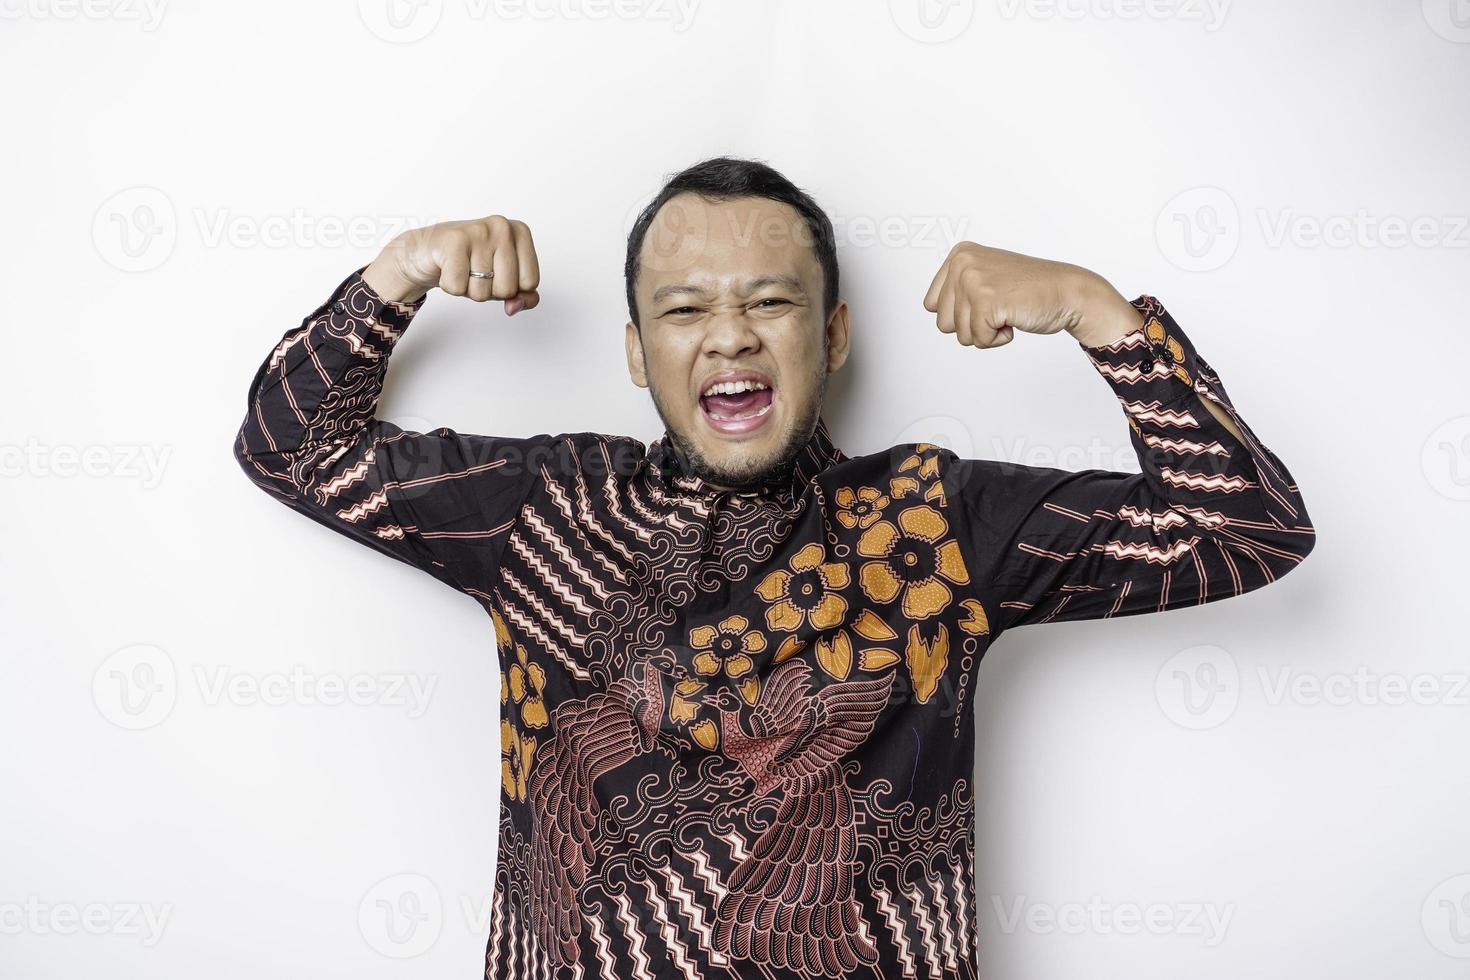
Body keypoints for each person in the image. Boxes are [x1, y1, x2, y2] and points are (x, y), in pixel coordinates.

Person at [232, 157, 1314, 979]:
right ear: (635, 350)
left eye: (772, 301)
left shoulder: (939, 521)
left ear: (834, 333)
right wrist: (401, 270)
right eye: (685, 308)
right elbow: (288, 445)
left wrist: (1098, 310)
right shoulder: (544, 507)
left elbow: (1248, 528)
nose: (731, 337)